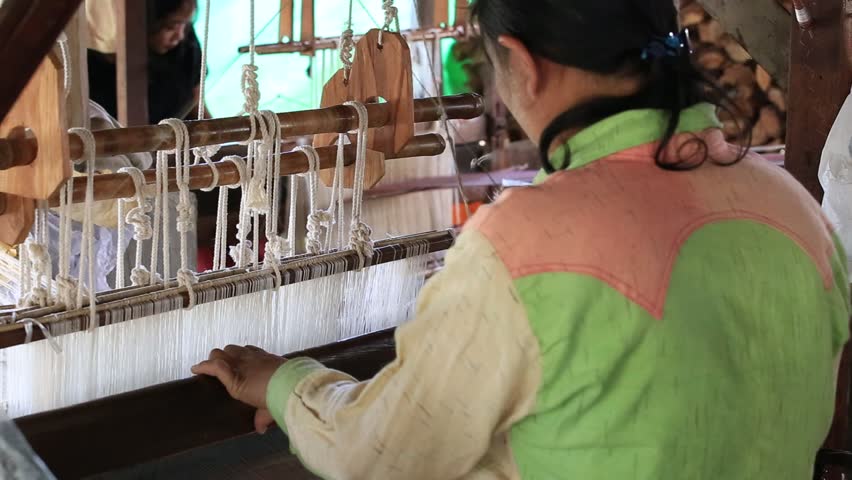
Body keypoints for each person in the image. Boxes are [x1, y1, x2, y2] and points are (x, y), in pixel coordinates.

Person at [191, 1, 851, 478]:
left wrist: (284, 382)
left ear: (522, 64)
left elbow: (379, 456)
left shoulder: (526, 244)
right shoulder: (798, 213)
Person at [87, 0, 206, 124]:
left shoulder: (186, 46)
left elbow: (197, 100)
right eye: (170, 27)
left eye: (186, 25)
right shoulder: (95, 69)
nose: (180, 36)